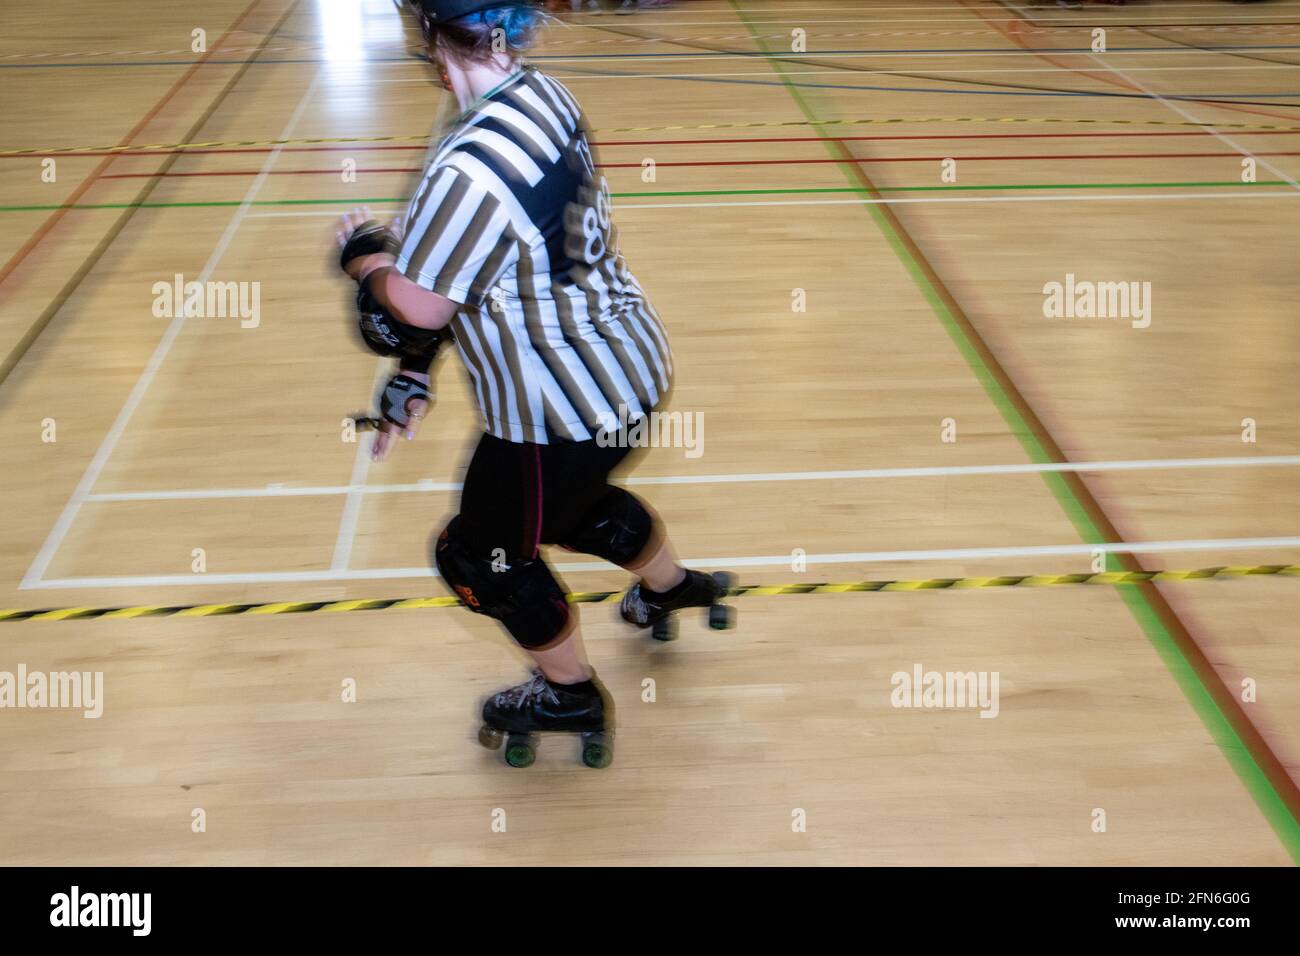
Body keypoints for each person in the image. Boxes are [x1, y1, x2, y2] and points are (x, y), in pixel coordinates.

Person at [333, 0, 732, 768]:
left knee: (482, 553)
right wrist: (414, 371)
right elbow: (478, 268)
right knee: (571, 508)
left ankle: (570, 692)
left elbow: (409, 307)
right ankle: (669, 587)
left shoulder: (466, 161)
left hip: (555, 413)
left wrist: (364, 259)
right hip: (630, 370)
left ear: (426, 33)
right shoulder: (543, 95)